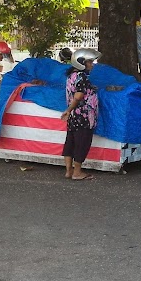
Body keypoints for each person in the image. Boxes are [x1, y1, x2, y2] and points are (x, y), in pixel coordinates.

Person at [61, 48, 102, 181]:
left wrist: (70, 111)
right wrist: (69, 110)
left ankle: (69, 171)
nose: (92, 65)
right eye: (89, 62)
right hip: (83, 116)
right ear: (81, 62)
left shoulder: (71, 75)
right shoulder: (82, 77)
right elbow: (78, 96)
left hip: (74, 116)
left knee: (71, 142)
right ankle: (77, 172)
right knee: (81, 144)